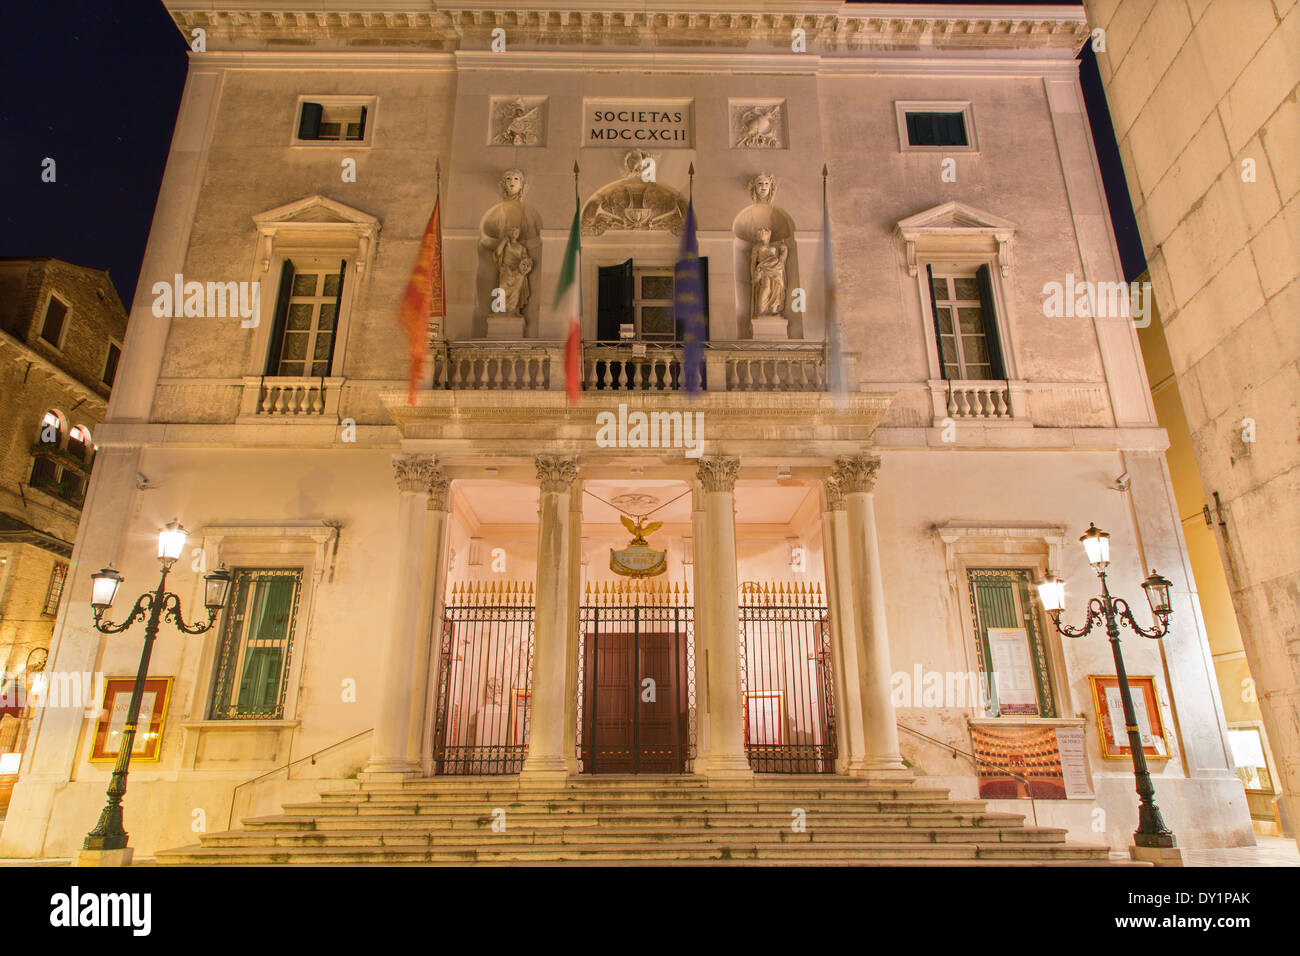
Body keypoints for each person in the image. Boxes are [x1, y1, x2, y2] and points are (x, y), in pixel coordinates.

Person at [750, 226, 788, 317]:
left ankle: (773, 309)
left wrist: (784, 250)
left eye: (764, 232)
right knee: (766, 288)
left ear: (768, 234)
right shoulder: (756, 247)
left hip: (776, 269)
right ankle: (761, 311)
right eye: (760, 233)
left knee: (776, 288)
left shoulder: (775, 245)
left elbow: (783, 254)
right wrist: (754, 276)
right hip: (763, 269)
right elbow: (753, 263)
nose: (762, 234)